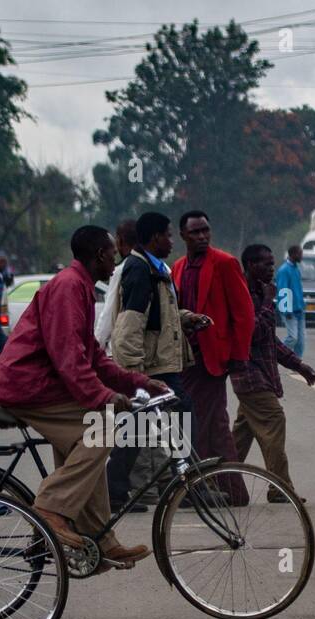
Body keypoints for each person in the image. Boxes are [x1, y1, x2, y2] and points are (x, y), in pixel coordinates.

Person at [0, 225, 168, 570]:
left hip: (41, 386)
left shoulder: (81, 287)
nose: (116, 262)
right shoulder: (69, 286)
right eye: (113, 255)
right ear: (99, 255)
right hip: (27, 386)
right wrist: (106, 398)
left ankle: (99, 541)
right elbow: (70, 360)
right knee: (101, 428)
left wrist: (137, 382)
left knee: (90, 443)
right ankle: (51, 508)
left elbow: (94, 357)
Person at [105, 212, 206, 512]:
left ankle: (116, 493)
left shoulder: (155, 269)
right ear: (153, 238)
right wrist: (136, 376)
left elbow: (156, 318)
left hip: (157, 367)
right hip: (152, 370)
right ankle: (186, 487)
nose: (173, 241)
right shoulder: (140, 271)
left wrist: (187, 318)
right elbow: (128, 329)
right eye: (168, 235)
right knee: (182, 418)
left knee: (137, 430)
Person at [170, 211, 254, 499]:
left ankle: (216, 489)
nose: (202, 236)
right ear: (183, 236)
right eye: (195, 232)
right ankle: (221, 489)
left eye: (206, 230)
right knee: (207, 422)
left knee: (205, 422)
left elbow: (243, 314)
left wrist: (239, 356)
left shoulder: (225, 263)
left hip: (213, 356)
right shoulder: (178, 268)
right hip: (186, 358)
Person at [233, 244, 315, 502]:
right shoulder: (244, 294)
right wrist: (270, 302)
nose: (271, 269)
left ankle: (219, 481)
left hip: (260, 374)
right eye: (265, 265)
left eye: (272, 264)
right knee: (274, 420)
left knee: (242, 432)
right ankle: (280, 487)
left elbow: (270, 341)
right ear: (250, 266)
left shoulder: (261, 291)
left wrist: (298, 364)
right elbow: (252, 333)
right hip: (248, 375)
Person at [95, 220, 138, 354]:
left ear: (119, 241)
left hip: (122, 351)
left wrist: (96, 349)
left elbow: (108, 315)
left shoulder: (121, 270)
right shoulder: (161, 268)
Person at [275, 245, 307, 357]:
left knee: (301, 342)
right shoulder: (284, 270)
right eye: (300, 253)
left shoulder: (296, 269)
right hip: (290, 311)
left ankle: (297, 364)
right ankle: (277, 356)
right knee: (292, 337)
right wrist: (286, 310)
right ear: (293, 254)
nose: (302, 256)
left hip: (299, 309)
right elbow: (283, 290)